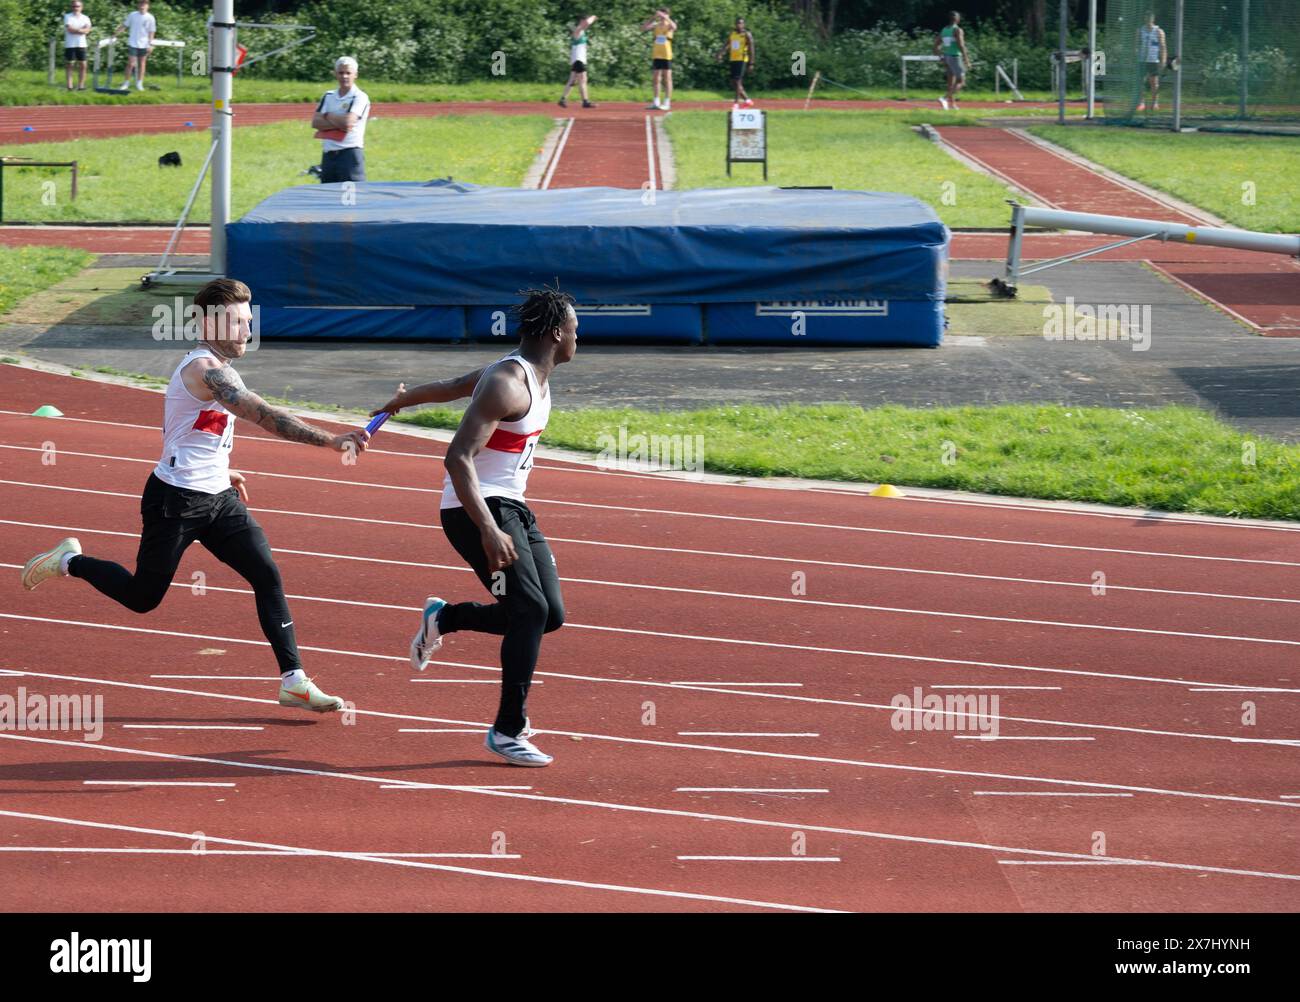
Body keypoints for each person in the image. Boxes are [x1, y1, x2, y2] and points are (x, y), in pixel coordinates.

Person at [21, 278, 370, 713]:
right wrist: (330, 441)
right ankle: (69, 561)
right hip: (176, 501)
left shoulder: (224, 366)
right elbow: (260, 413)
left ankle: (293, 680)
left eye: (249, 322)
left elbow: (199, 429)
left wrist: (225, 469)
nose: (248, 332)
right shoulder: (205, 371)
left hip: (218, 498)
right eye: (240, 323)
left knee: (266, 575)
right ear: (210, 322)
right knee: (142, 598)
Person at [375, 288, 577, 767]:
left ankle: (446, 618)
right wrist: (487, 528)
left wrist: (402, 401)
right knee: (528, 610)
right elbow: (457, 457)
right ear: (555, 335)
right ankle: (508, 730)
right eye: (574, 330)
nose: (577, 338)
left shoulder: (523, 376)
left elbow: (450, 385)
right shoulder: (509, 381)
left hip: (513, 507)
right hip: (475, 509)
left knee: (549, 615)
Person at [311, 56, 371, 183]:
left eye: (348, 73)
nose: (344, 76)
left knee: (351, 198)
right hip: (329, 155)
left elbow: (347, 124)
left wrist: (327, 115)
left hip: (350, 154)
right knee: (329, 197)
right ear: (335, 74)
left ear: (356, 75)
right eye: (341, 73)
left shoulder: (360, 97)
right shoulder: (328, 96)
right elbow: (316, 122)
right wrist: (339, 120)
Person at [114, 0, 155, 93]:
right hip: (133, 43)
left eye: (144, 4)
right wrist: (116, 33)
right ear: (138, 5)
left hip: (144, 44)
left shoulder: (150, 18)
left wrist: (150, 44)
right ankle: (126, 83)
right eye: (140, 3)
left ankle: (139, 83)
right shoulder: (132, 15)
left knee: (142, 64)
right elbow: (124, 25)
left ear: (148, 6)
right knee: (131, 64)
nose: (142, 6)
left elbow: (151, 32)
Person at [933, 10, 970, 110]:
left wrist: (940, 57)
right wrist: (966, 58)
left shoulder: (944, 30)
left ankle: (952, 105)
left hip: (947, 57)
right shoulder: (957, 30)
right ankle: (944, 98)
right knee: (961, 82)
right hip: (955, 57)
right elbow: (961, 45)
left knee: (951, 83)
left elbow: (936, 45)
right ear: (957, 19)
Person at [559, 14, 598, 109]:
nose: (586, 23)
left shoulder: (581, 31)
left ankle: (563, 99)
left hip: (577, 59)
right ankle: (585, 101)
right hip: (578, 59)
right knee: (583, 79)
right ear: (581, 21)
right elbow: (586, 24)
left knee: (572, 80)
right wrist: (593, 17)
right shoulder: (578, 30)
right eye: (584, 20)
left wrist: (591, 18)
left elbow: (586, 24)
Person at [642, 8, 677, 111]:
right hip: (657, 54)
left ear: (667, 14)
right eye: (660, 14)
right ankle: (656, 101)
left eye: (663, 14)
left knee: (667, 78)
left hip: (666, 55)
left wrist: (666, 17)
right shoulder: (656, 25)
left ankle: (667, 102)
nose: (661, 16)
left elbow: (674, 27)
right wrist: (653, 17)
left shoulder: (669, 24)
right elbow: (643, 28)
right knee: (656, 78)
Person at [716, 16, 755, 108]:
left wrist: (751, 63)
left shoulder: (746, 35)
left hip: (742, 59)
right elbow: (726, 45)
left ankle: (736, 103)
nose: (739, 25)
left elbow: (751, 49)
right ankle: (747, 100)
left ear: (744, 24)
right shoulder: (732, 34)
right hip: (733, 59)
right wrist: (720, 53)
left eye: (741, 23)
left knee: (738, 81)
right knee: (733, 82)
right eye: (737, 23)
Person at [1135, 12, 1167, 113]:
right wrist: (1136, 54)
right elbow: (1136, 45)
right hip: (1142, 60)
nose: (1148, 19)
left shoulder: (1159, 31)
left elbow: (1163, 47)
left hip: (1153, 60)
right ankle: (1141, 103)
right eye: (1147, 17)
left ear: (1153, 19)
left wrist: (1163, 60)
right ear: (1144, 18)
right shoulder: (1140, 31)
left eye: (1150, 17)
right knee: (1140, 82)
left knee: (1154, 83)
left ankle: (1155, 103)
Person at [62, 1, 92, 92]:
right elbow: (69, 29)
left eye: (77, 6)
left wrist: (78, 30)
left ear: (81, 7)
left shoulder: (85, 18)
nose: (75, 8)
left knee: (83, 65)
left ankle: (81, 86)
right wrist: (81, 30)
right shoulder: (68, 16)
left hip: (81, 44)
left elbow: (88, 30)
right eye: (74, 6)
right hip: (70, 45)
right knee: (70, 65)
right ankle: (69, 86)